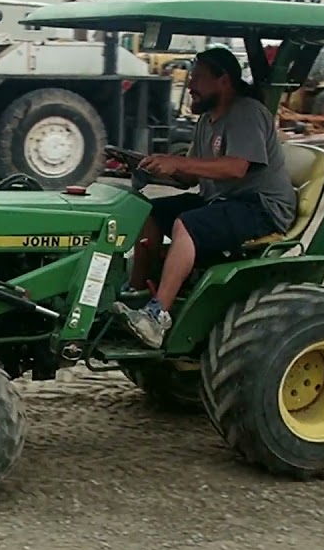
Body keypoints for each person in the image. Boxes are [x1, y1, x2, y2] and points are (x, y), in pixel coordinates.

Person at [114, 46, 298, 348]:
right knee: (147, 213)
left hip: (261, 207)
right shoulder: (207, 120)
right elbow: (189, 177)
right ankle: (137, 296)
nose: (189, 86)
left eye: (197, 79)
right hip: (224, 202)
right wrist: (149, 166)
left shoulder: (246, 113)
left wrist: (179, 162)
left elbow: (237, 167)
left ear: (223, 81)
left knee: (187, 224)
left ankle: (157, 315)